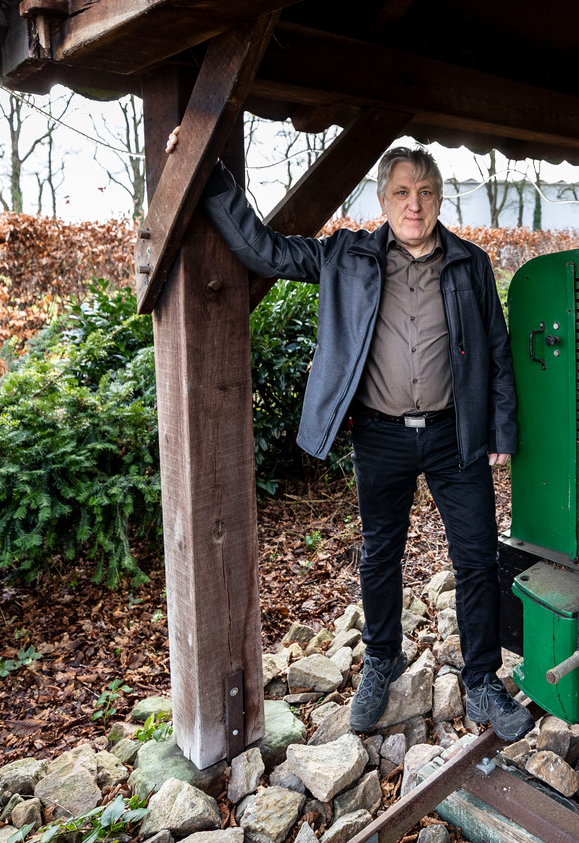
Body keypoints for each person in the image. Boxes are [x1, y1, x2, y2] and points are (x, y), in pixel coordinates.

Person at [168, 128, 534, 741]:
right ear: (382, 201)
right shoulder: (348, 257)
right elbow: (265, 250)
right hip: (382, 437)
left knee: (476, 557)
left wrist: (500, 428)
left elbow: (497, 351)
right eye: (400, 193)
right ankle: (382, 658)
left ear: (439, 200)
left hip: (455, 435)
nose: (412, 204)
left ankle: (481, 680)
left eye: (423, 192)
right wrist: (211, 178)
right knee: (379, 553)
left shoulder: (471, 264)